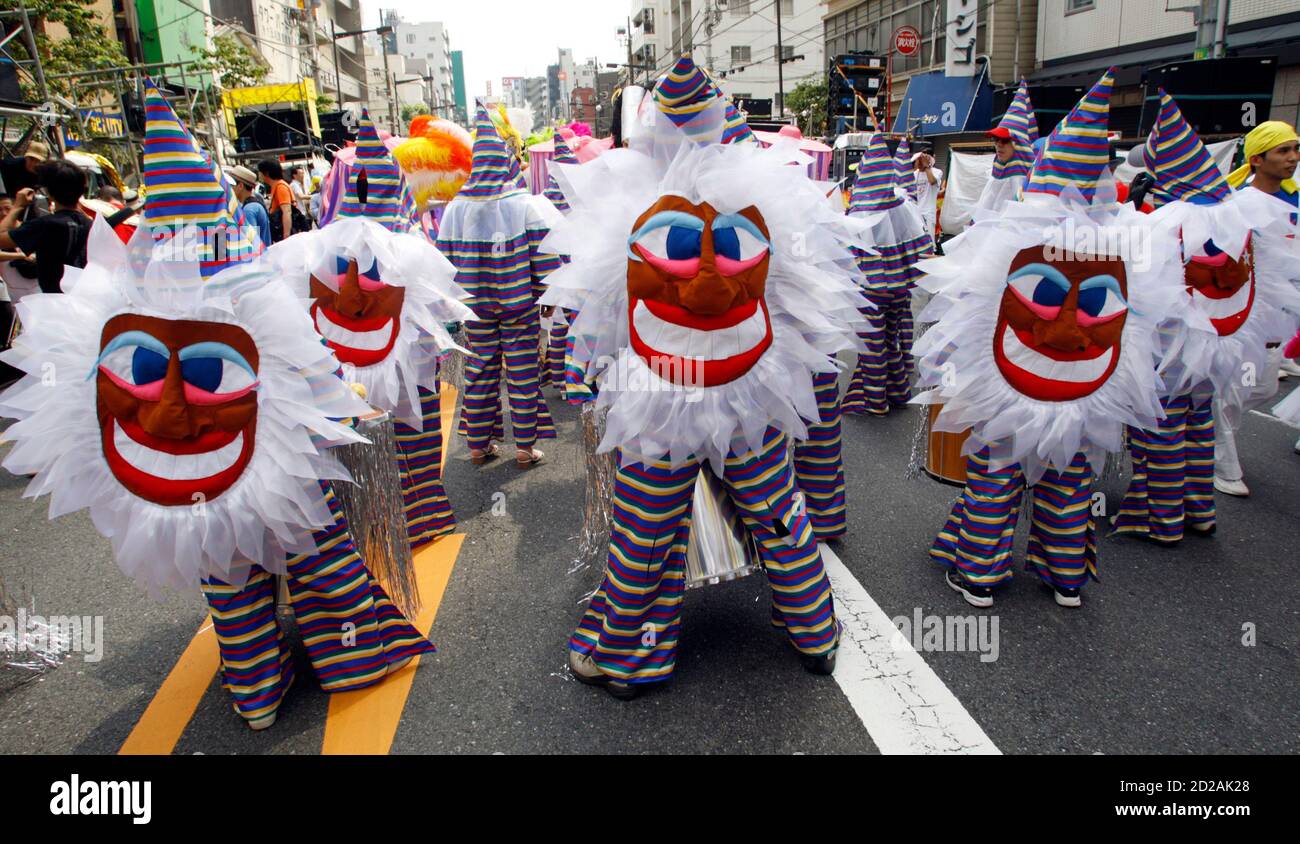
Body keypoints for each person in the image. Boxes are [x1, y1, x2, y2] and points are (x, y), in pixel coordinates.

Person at [544, 56, 867, 699]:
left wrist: (589, 379)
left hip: (656, 398)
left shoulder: (627, 204)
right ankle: (816, 634)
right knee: (777, 510)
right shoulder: (764, 196)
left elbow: (599, 314)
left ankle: (631, 657)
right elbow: (804, 300)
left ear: (647, 131)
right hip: (750, 387)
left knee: (646, 528)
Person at [913, 69, 1187, 609]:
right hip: (1088, 387)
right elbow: (1147, 326)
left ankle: (979, 577)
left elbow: (964, 313)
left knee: (997, 474)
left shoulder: (1012, 239)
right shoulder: (1124, 246)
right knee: (1068, 476)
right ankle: (1065, 578)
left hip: (1011, 381)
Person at [264, 110, 474, 550]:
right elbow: (440, 310)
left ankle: (359, 523)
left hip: (337, 367)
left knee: (348, 436)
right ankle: (418, 518)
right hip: (403, 367)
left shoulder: (308, 251)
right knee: (412, 432)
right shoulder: (412, 249)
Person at [1113, 93, 1299, 543]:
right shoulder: (1236, 213)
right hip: (1223, 341)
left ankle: (1162, 521)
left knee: (1161, 427)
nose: (1294, 158)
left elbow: (1139, 287)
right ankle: (1198, 510)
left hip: (1172, 344)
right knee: (1199, 422)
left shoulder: (1166, 221)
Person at [436, 106, 562, 467]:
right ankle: (524, 449)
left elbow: (443, 264)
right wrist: (549, 297)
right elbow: (544, 255)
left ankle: (478, 446)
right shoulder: (523, 204)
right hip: (519, 305)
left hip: (474, 308)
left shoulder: (455, 209)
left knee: (480, 372)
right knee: (522, 374)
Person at [1216, 120, 1300, 495]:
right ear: (1256, 159)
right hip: (1246, 311)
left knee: (1264, 387)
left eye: (1296, 149)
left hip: (1284, 311)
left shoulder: (1295, 199)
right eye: (1283, 151)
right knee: (1234, 387)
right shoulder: (1238, 204)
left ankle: (1212, 436)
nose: (1293, 158)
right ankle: (1222, 465)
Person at [841, 133, 930, 417]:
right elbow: (921, 248)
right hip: (900, 290)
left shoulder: (859, 213)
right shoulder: (903, 206)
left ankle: (876, 401)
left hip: (871, 292)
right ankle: (900, 392)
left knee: (872, 348)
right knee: (897, 339)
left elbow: (848, 257)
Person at [0, 159, 90, 294]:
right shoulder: (90, 224)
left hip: (53, 302)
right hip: (86, 299)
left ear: (49, 193)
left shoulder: (45, 225)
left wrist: (18, 206)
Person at [973, 80, 1037, 216]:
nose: (999, 144)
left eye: (1005, 140)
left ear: (1019, 145)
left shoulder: (1024, 181)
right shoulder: (996, 176)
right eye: (996, 139)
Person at [230, 164, 272, 248]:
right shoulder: (254, 204)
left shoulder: (249, 210)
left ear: (240, 186)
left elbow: (251, 243)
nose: (229, 188)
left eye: (231, 185)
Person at [257, 157, 294, 243]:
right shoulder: (276, 186)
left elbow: (287, 211)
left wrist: (286, 236)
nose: (259, 174)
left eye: (260, 172)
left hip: (285, 235)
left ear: (266, 173)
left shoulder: (281, 187)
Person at [911, 148, 943, 244]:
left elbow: (932, 181)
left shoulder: (937, 171)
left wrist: (926, 167)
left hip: (928, 213)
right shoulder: (914, 174)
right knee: (917, 241)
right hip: (916, 213)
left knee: (929, 242)